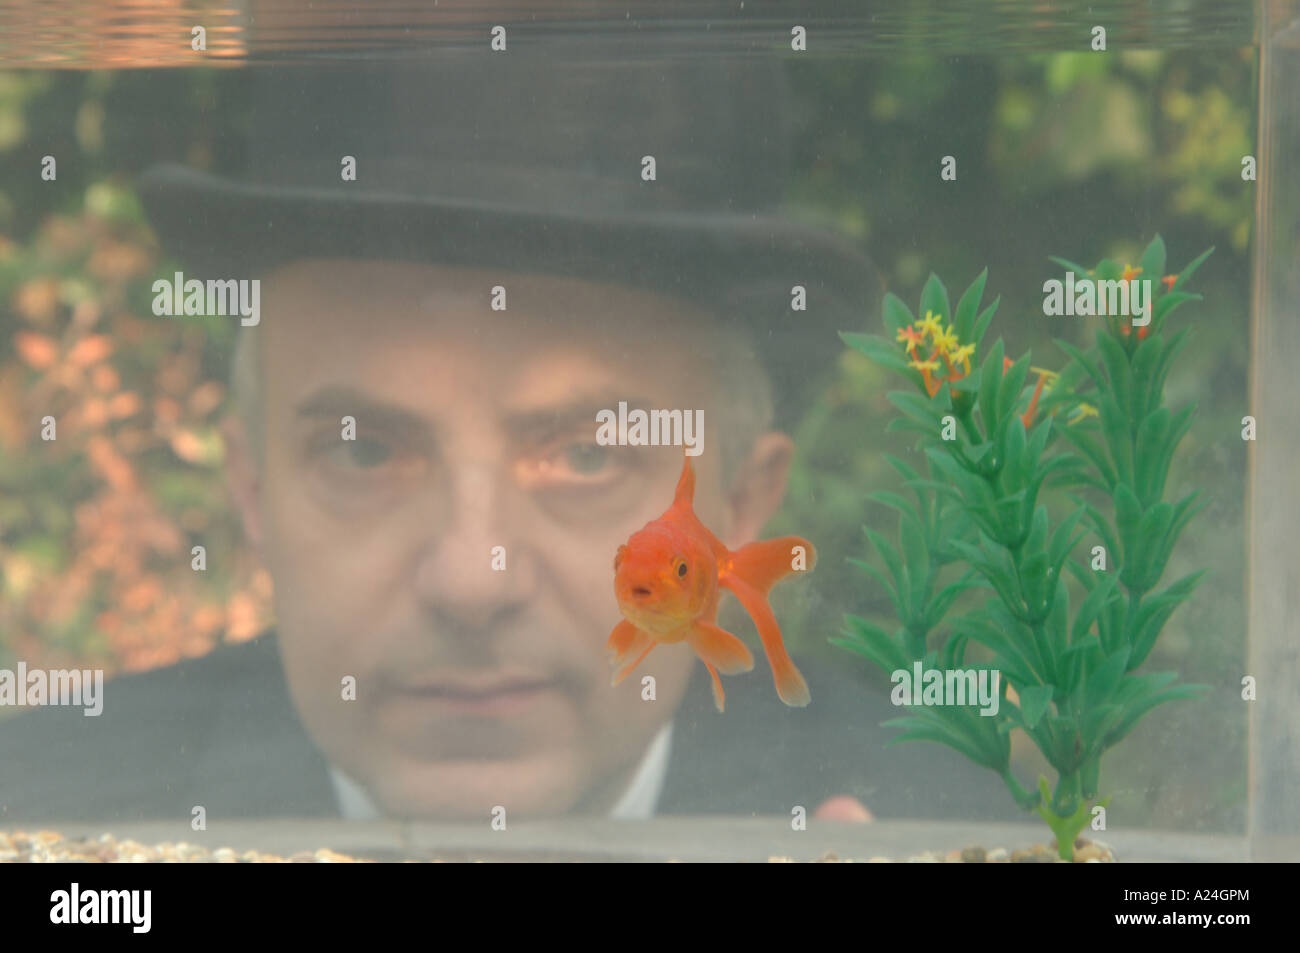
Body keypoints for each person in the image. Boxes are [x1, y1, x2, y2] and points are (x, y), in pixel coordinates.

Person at [0, 50, 1018, 827]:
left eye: (585, 454)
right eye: (363, 449)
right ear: (253, 487)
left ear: (739, 511)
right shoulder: (39, 809)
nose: (472, 579)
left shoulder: (947, 829)